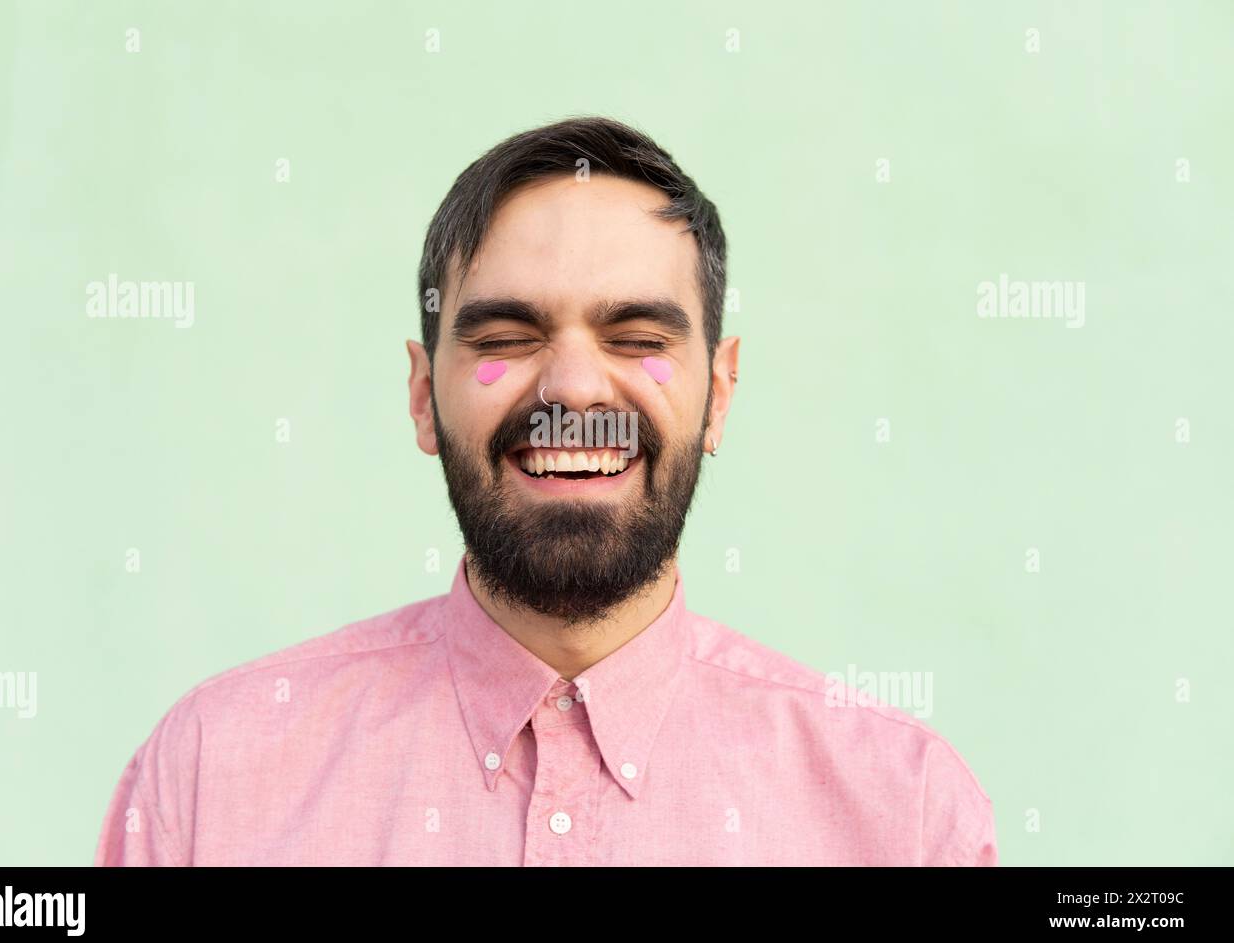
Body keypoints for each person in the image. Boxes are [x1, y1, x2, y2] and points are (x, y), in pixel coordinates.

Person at [96, 116, 997, 865]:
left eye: (638, 333)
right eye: (506, 338)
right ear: (422, 396)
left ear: (718, 394)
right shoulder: (211, 783)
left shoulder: (905, 815)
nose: (573, 390)